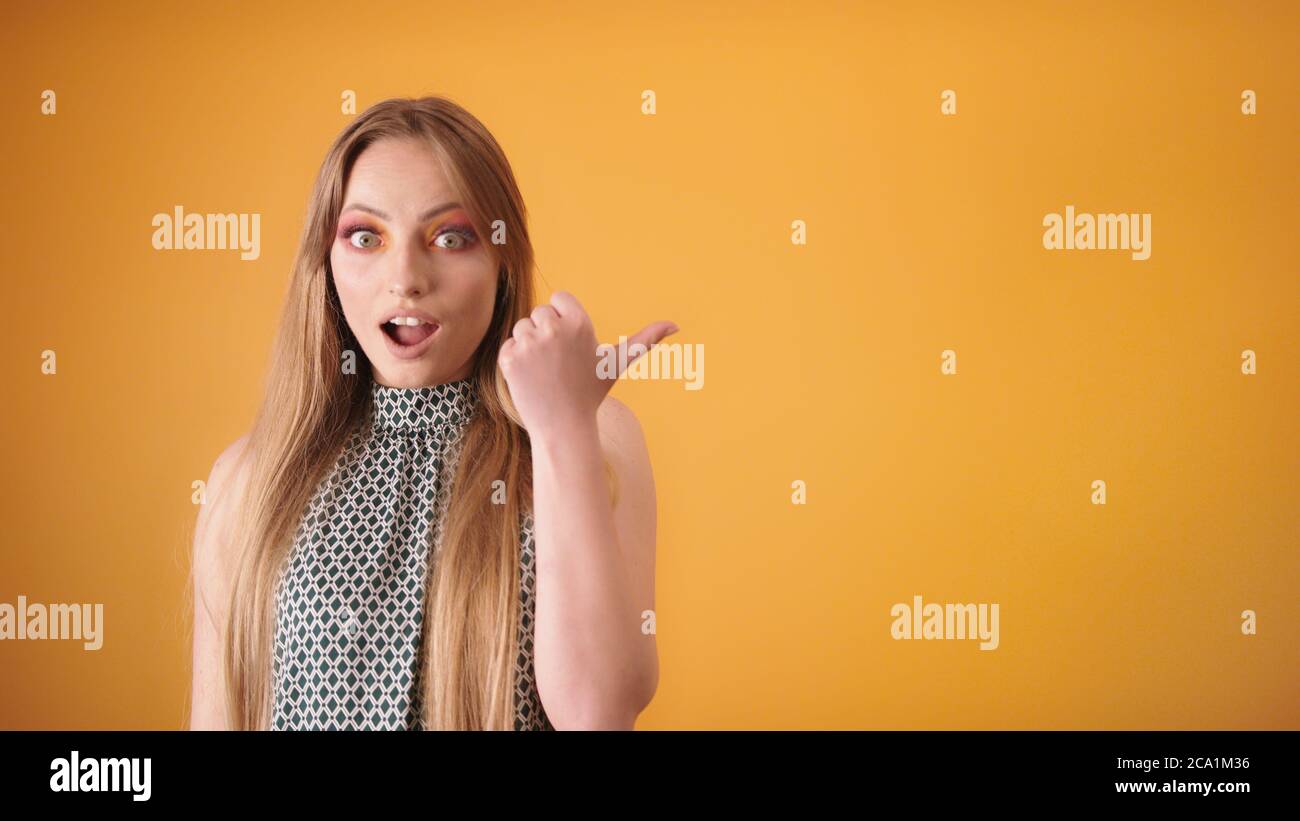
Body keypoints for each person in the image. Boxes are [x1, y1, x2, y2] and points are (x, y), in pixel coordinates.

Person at [189, 96, 672, 730]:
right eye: (366, 236)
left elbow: (599, 713)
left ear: (501, 261)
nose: (407, 277)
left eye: (450, 237)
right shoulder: (250, 478)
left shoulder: (596, 436)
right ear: (326, 265)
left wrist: (562, 430)